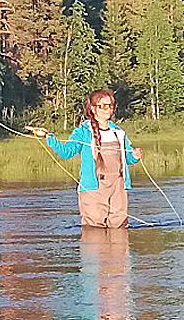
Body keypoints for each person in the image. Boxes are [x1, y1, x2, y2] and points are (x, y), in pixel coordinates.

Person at [27, 90, 143, 228]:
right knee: (94, 231)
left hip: (118, 186)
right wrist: (48, 137)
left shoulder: (118, 132)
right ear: (93, 109)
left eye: (111, 106)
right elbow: (66, 152)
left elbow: (127, 159)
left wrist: (135, 156)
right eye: (104, 106)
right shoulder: (83, 132)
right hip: (93, 188)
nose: (109, 109)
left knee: (120, 229)